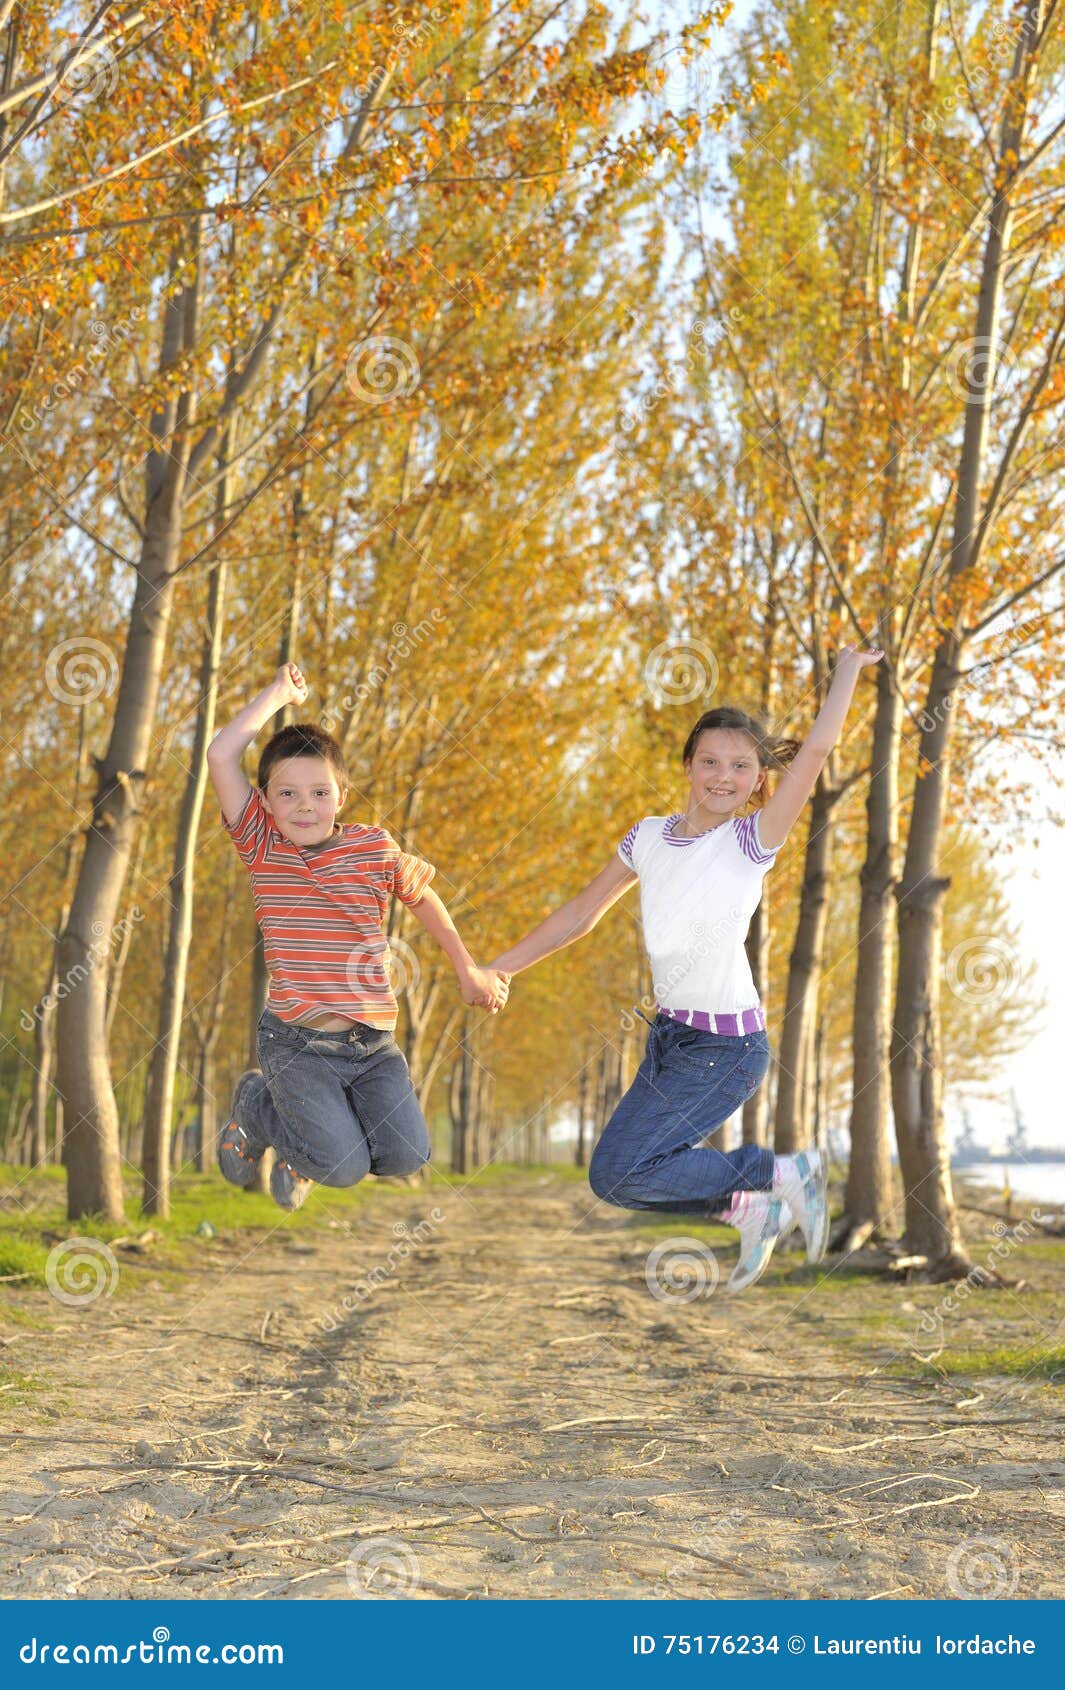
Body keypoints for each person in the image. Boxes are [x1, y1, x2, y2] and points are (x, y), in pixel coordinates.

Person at [490, 646, 884, 1290]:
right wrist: (500, 968)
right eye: (710, 761)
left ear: (759, 779)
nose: (723, 777)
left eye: (741, 766)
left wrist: (845, 671)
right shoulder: (646, 836)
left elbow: (814, 752)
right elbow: (580, 913)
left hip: (728, 1049)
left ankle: (783, 1173)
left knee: (620, 1171)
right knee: (617, 1177)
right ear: (688, 766)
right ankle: (747, 1207)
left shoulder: (750, 841)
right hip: (671, 1039)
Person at [207, 662, 509, 1210]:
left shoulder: (373, 847)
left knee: (406, 1155)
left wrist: (467, 967)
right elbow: (221, 754)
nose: (305, 805)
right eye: (288, 793)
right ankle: (260, 1109)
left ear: (341, 796)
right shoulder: (263, 844)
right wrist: (277, 694)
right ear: (265, 802)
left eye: (319, 792)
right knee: (344, 1168)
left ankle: (308, 1146)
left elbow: (424, 898)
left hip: (370, 1044)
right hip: (295, 1043)